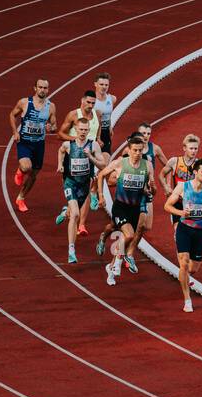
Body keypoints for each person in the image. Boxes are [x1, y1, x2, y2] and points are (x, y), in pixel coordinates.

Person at [93, 135, 152, 285]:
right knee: (129, 234)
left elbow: (149, 188)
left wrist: (150, 190)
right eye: (135, 150)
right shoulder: (119, 163)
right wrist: (100, 196)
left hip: (135, 208)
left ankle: (111, 269)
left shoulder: (147, 166)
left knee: (122, 235)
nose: (138, 153)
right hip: (120, 206)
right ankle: (117, 260)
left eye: (140, 150)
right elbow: (100, 175)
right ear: (129, 150)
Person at [164, 158, 202, 312]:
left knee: (193, 269)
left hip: (200, 231)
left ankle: (184, 278)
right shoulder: (183, 187)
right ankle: (187, 300)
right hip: (184, 229)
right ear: (195, 172)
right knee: (184, 263)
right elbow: (167, 206)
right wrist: (181, 212)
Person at [54, 117, 107, 264]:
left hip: (85, 185)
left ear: (89, 130)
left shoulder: (94, 145)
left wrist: (90, 157)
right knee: (76, 214)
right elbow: (61, 150)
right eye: (80, 129)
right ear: (75, 129)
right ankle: (71, 251)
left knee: (72, 211)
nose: (83, 132)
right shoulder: (68, 144)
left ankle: (66, 212)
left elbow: (103, 165)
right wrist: (60, 165)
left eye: (85, 129)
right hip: (70, 183)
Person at [8, 78, 54, 213]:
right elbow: (12, 115)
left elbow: (54, 124)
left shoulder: (51, 106)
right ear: (35, 88)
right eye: (40, 87)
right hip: (25, 142)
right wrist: (15, 131)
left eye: (45, 88)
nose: (43, 90)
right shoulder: (24, 103)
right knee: (26, 166)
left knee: (34, 175)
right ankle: (20, 170)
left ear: (48, 90)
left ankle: (21, 198)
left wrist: (51, 127)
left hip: (39, 144)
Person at [59, 89, 103, 210]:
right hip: (72, 156)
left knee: (85, 189)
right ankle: (68, 210)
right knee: (72, 187)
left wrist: (98, 138)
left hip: (89, 155)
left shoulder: (97, 114)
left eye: (93, 103)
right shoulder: (73, 115)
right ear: (82, 101)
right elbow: (60, 134)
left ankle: (81, 224)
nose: (90, 105)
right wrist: (76, 140)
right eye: (88, 102)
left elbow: (98, 126)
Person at [135, 122, 169, 242]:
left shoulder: (154, 148)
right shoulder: (129, 150)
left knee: (147, 226)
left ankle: (131, 245)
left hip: (148, 190)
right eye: (143, 133)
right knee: (135, 224)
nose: (146, 136)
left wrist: (166, 185)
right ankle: (124, 252)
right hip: (134, 190)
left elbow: (169, 166)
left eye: (148, 133)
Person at [92, 72, 116, 152]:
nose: (104, 87)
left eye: (106, 85)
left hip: (105, 132)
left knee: (106, 158)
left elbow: (108, 115)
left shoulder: (112, 99)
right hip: (93, 132)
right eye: (101, 84)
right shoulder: (90, 100)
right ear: (95, 84)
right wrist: (97, 137)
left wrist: (110, 127)